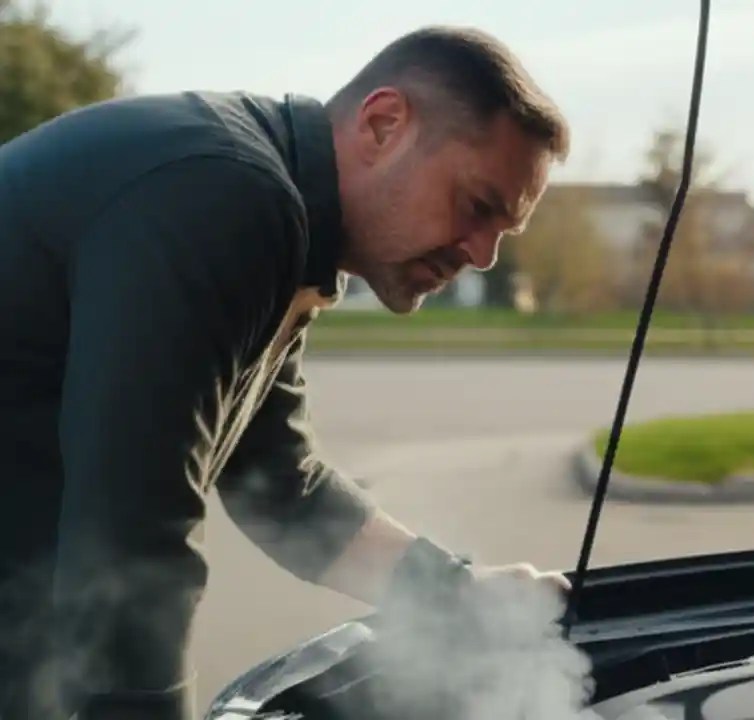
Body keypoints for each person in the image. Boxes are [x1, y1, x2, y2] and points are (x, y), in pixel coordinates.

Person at [0, 26, 571, 720]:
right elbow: (132, 527)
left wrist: (457, 594)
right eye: (478, 206)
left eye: (502, 233)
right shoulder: (223, 196)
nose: (482, 255)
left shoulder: (276, 226)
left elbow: (281, 487)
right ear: (384, 123)